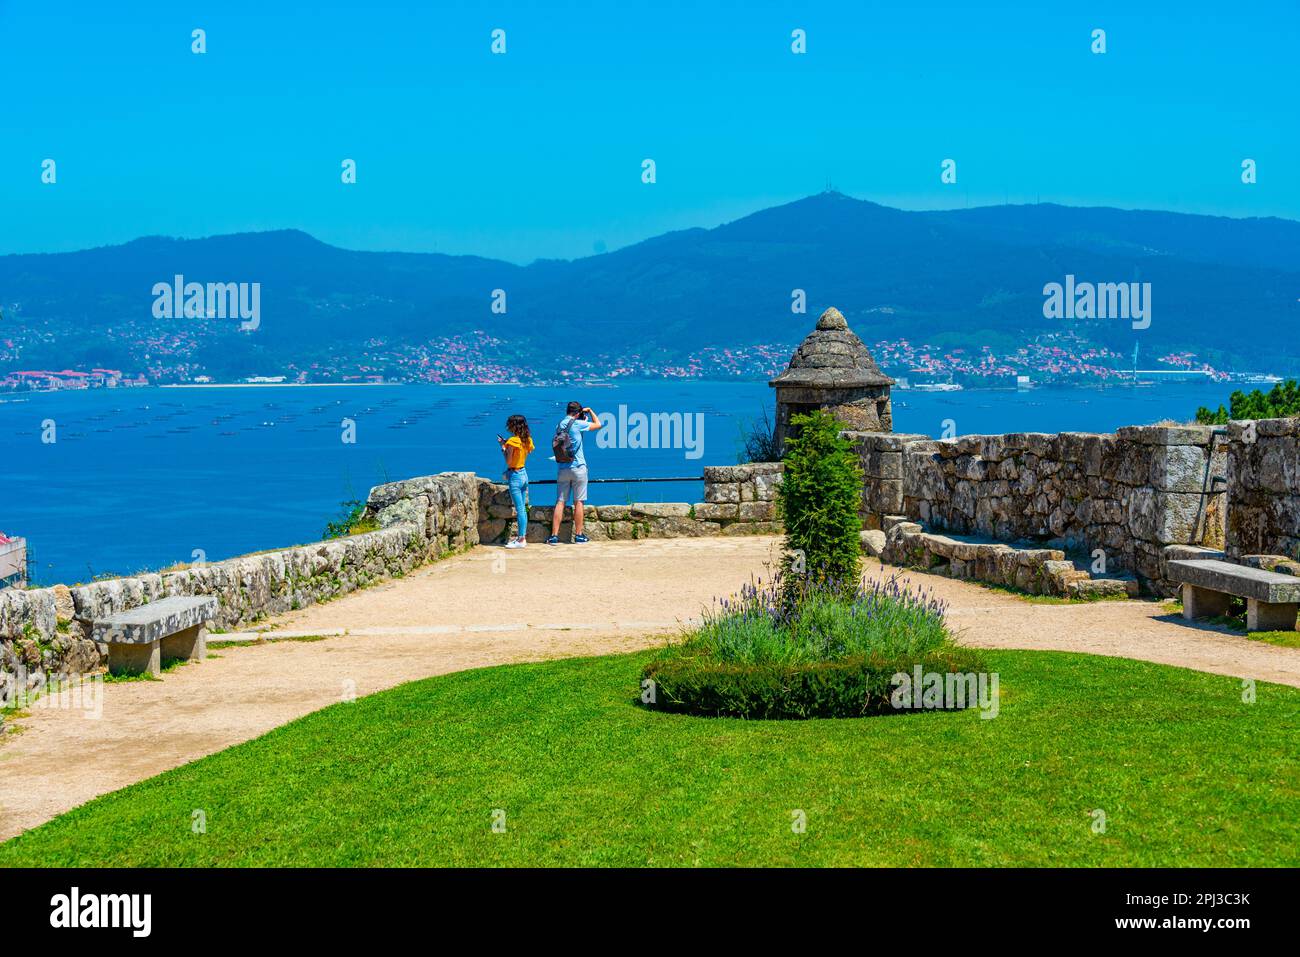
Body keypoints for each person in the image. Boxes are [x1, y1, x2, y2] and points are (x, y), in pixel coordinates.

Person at [548, 401, 602, 545]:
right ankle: (578, 535)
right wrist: (590, 411)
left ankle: (554, 536)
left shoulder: (559, 424)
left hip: (562, 468)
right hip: (578, 467)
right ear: (578, 413)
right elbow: (598, 424)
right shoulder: (579, 424)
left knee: (560, 502)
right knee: (578, 502)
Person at [498, 414, 534, 549]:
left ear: (513, 426)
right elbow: (525, 453)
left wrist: (503, 447)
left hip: (515, 476)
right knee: (523, 509)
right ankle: (522, 537)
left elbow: (508, 460)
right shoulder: (527, 440)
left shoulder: (512, 441)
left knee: (519, 509)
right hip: (524, 474)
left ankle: (521, 539)